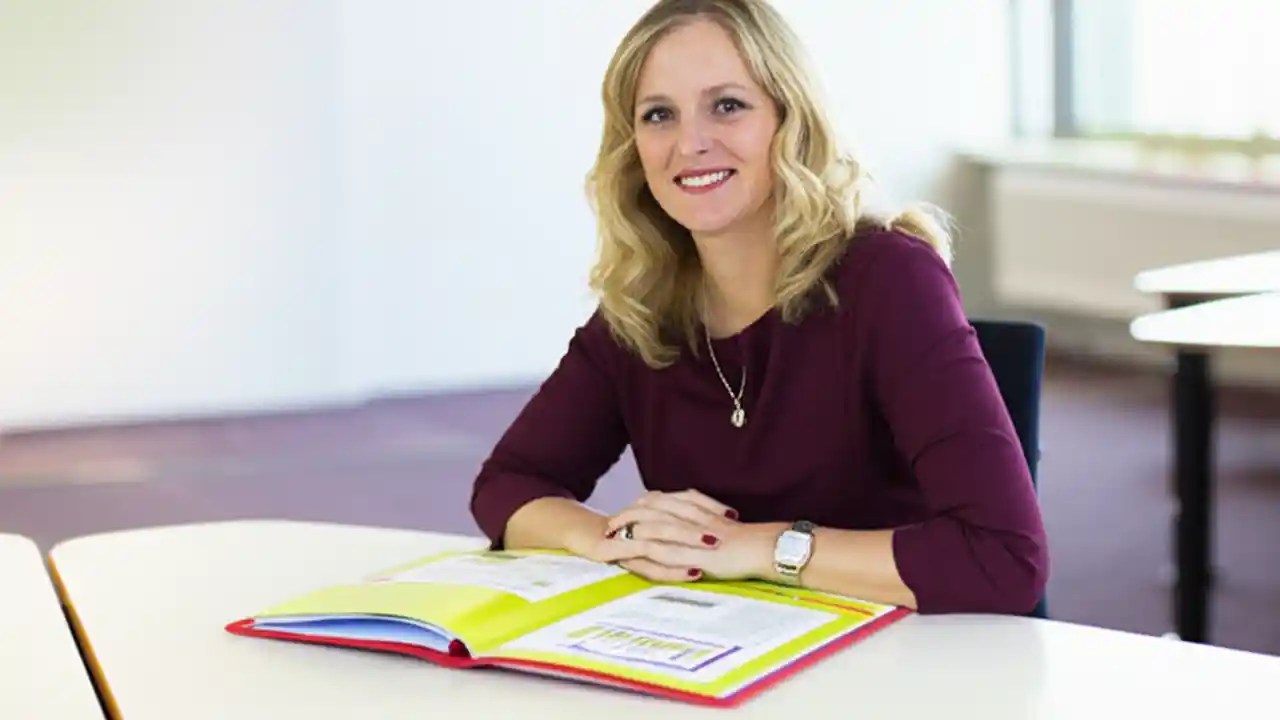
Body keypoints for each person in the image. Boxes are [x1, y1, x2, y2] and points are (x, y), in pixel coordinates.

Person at [469, 0, 1048, 614]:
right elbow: (508, 485)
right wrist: (616, 539)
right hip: (726, 647)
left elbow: (1004, 559)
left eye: (727, 105)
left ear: (789, 117)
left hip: (906, 645)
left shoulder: (889, 277)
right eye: (659, 114)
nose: (690, 143)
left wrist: (757, 547)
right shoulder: (643, 307)